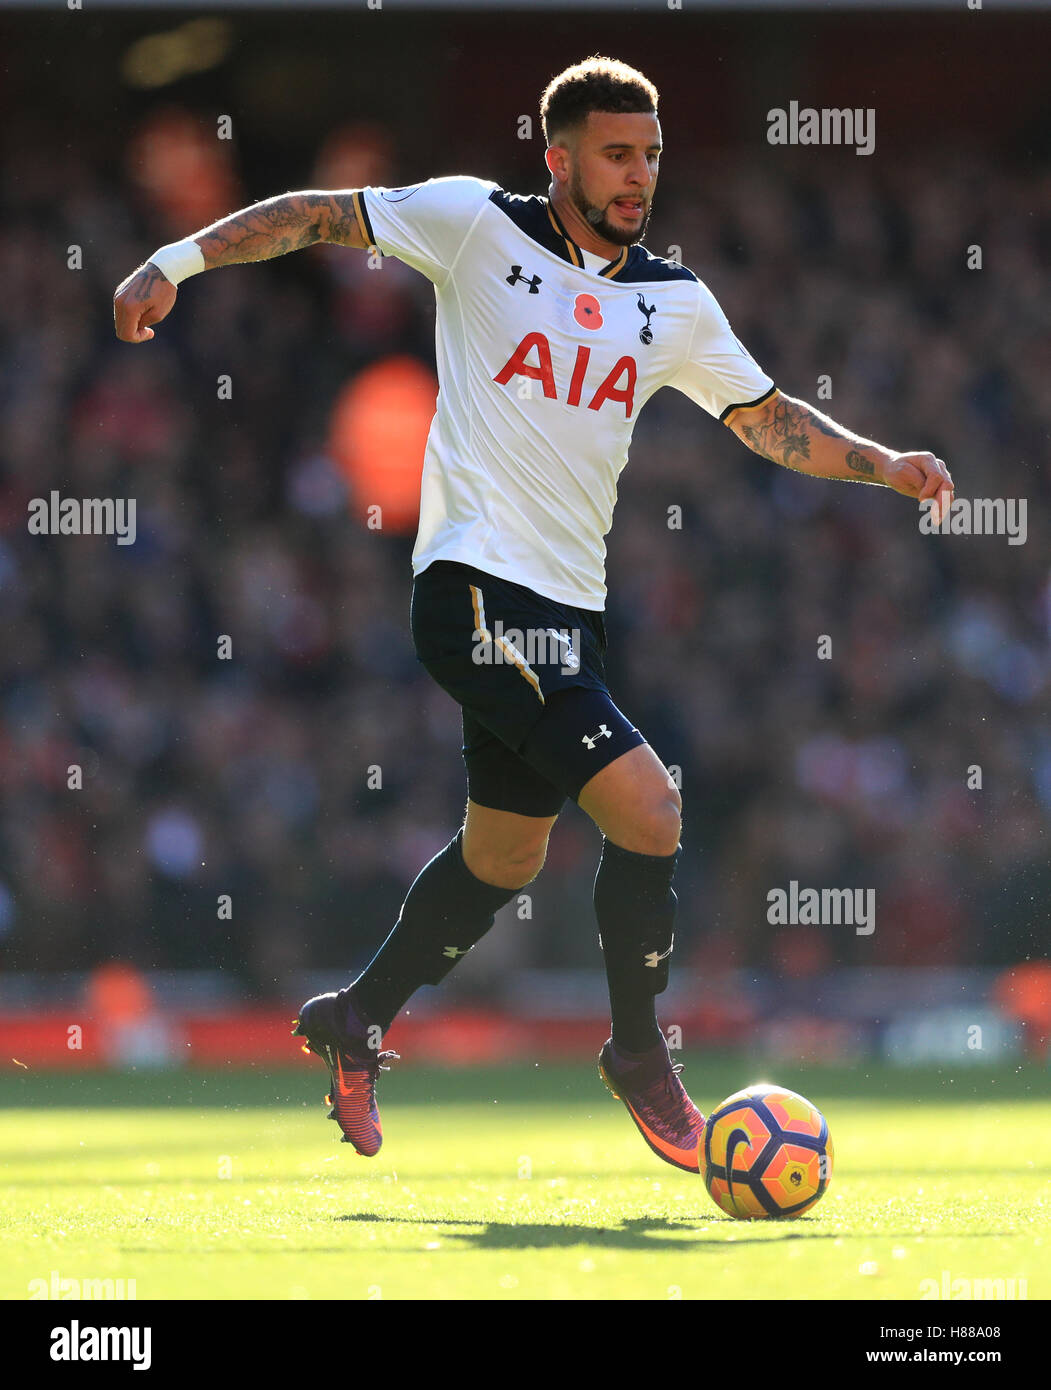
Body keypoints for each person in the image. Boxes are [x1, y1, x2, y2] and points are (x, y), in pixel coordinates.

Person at [113, 56, 954, 1173]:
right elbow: (319, 215)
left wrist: (884, 464)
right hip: (469, 588)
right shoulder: (473, 225)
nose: (636, 175)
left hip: (572, 611)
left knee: (505, 857)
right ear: (557, 156)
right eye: (614, 153)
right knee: (649, 810)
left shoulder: (672, 304)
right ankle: (638, 1051)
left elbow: (765, 420)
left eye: (649, 154)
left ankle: (357, 1016)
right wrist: (174, 260)